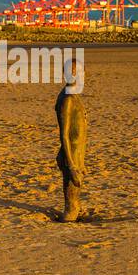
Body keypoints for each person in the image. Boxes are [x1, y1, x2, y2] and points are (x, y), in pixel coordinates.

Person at [54, 56, 86, 222]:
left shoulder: (73, 95)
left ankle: (74, 212)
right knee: (71, 191)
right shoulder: (67, 99)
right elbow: (64, 133)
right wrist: (72, 164)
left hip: (77, 152)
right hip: (71, 154)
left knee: (76, 189)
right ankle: (69, 218)